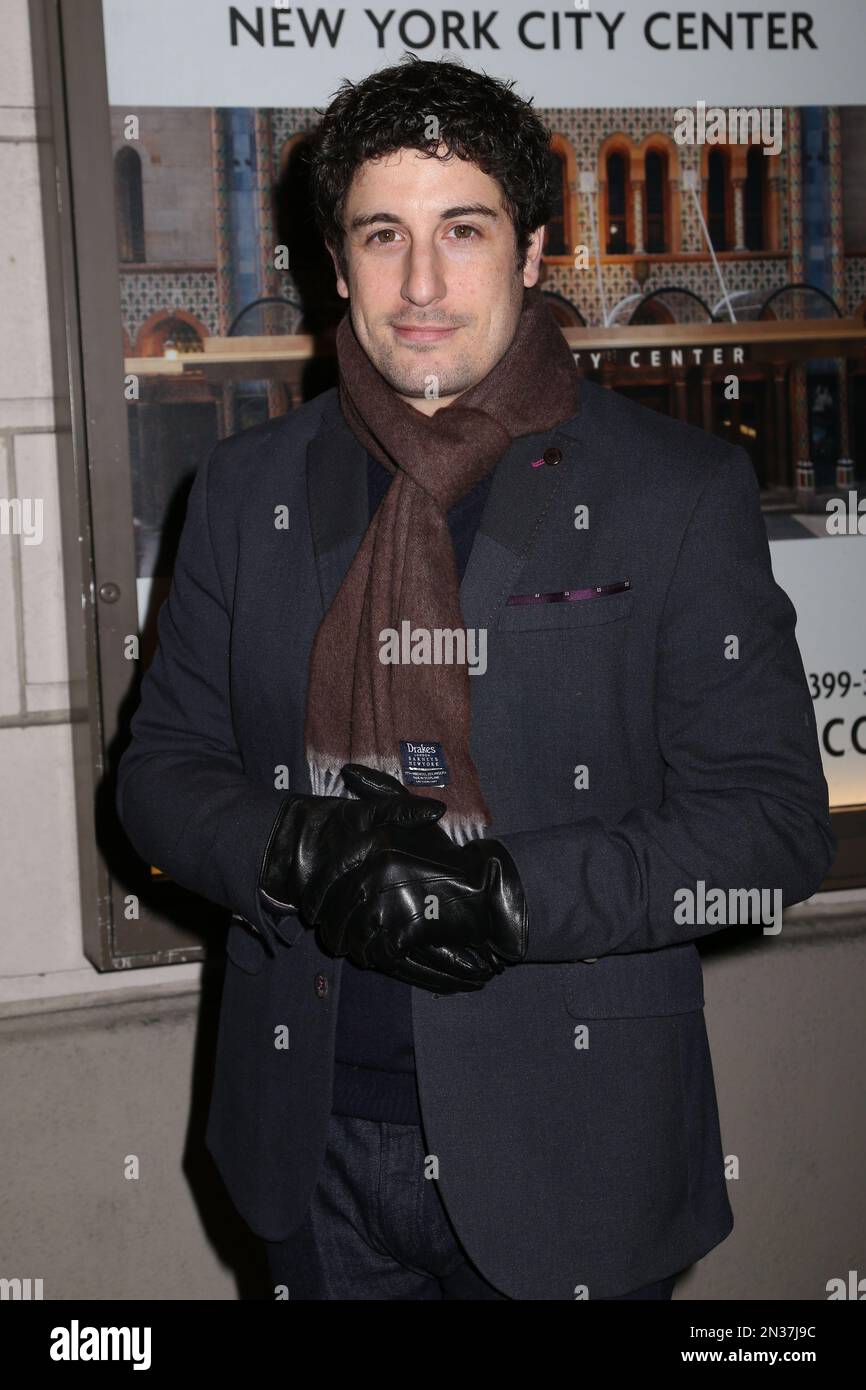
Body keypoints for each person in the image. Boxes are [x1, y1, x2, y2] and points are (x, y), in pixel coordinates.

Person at [115, 55, 834, 1301]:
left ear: (535, 250)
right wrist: (295, 850)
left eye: (463, 230)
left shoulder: (674, 492)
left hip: (577, 1154)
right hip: (306, 1149)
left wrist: (506, 895)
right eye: (381, 236)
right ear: (335, 265)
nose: (423, 284)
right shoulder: (243, 492)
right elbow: (158, 778)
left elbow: (769, 832)